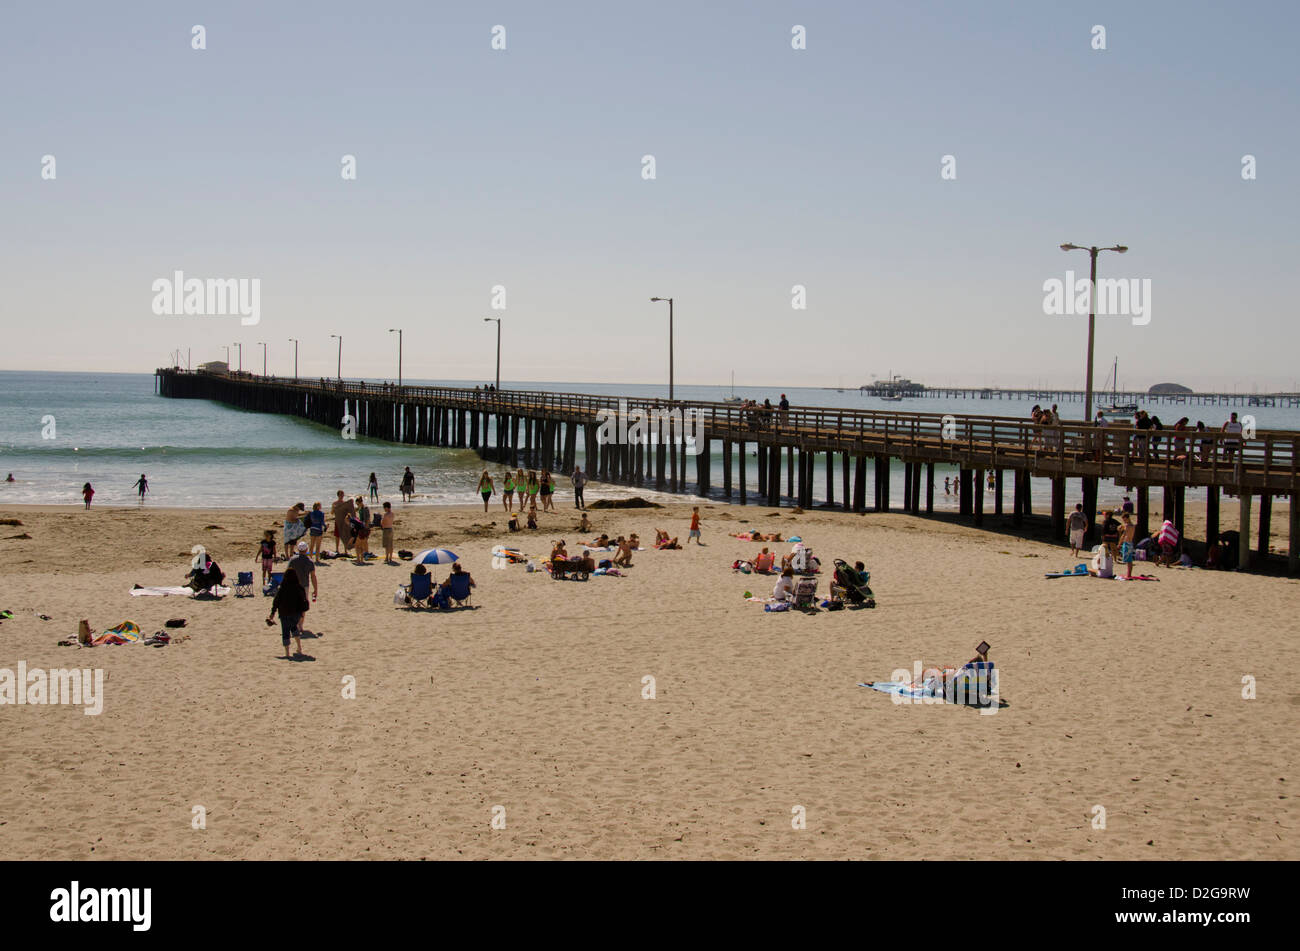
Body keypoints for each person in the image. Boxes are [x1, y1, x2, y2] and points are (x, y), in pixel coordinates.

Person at [267, 568, 309, 659]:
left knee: (285, 631)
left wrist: (272, 613)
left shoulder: (282, 588)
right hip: (296, 613)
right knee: (294, 627)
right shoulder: (299, 587)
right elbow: (304, 600)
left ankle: (287, 653)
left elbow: (276, 601)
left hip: (284, 613)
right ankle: (299, 647)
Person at [352, 496, 371, 564]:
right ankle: (362, 556)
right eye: (356, 504)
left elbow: (367, 519)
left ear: (360, 502)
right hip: (361, 526)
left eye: (358, 504)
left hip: (364, 527)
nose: (357, 505)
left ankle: (365, 554)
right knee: (362, 542)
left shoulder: (365, 508)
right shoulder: (360, 508)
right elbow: (355, 510)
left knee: (363, 542)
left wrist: (366, 527)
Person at [1118, 512, 1137, 578]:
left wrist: (1119, 543)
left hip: (1127, 543)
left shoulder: (1128, 526)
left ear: (1127, 518)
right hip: (1130, 543)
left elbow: (1123, 535)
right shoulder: (1132, 525)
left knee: (1128, 560)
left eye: (1124, 519)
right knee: (1129, 559)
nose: (1124, 521)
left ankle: (1129, 574)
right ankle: (1129, 573)